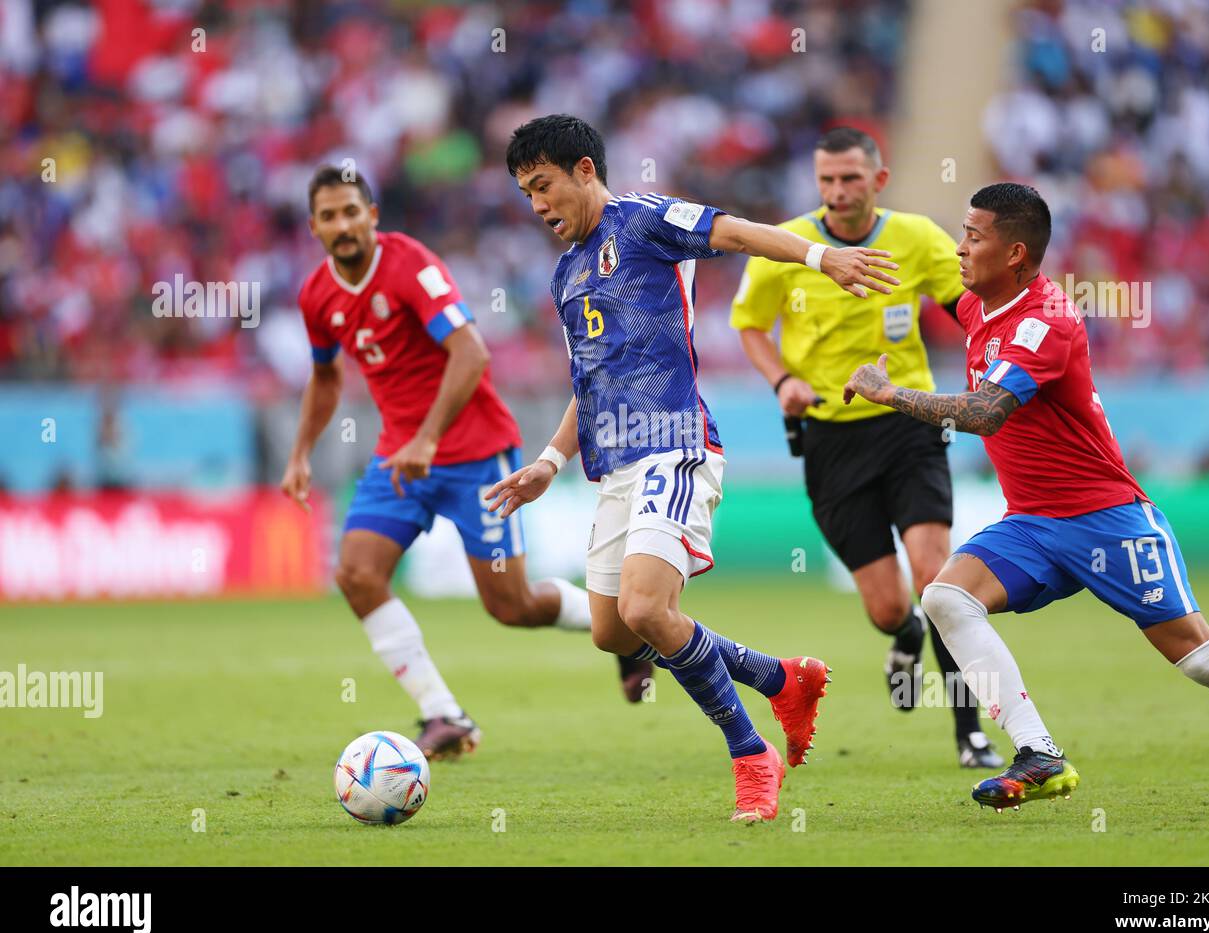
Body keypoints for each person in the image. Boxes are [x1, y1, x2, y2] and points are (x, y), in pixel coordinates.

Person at [487, 114, 900, 821]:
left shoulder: (643, 219)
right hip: (612, 465)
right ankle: (781, 678)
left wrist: (818, 258)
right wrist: (551, 461)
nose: (538, 206)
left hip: (673, 445)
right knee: (615, 632)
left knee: (650, 609)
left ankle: (750, 754)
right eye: (527, 194)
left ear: (585, 170)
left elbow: (734, 231)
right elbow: (588, 381)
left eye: (544, 185)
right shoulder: (565, 275)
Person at [842, 182, 1209, 811]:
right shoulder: (979, 307)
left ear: (1016, 254)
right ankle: (1039, 754)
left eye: (974, 237)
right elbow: (928, 282)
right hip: (1032, 522)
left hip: (1107, 519)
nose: (960, 248)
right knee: (946, 597)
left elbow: (983, 413)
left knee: (1206, 663)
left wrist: (889, 393)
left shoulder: (1047, 321)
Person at [281, 165, 592, 761]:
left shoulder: (410, 266)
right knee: (356, 574)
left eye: (352, 211)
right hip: (401, 460)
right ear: (314, 227)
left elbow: (471, 353)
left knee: (512, 606)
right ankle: (443, 714)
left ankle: (619, 628)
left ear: (371, 216)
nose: (342, 224)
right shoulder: (316, 295)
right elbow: (324, 376)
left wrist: (428, 438)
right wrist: (299, 454)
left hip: (475, 454)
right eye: (329, 216)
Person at [730, 125, 999, 768]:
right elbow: (748, 325)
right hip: (828, 437)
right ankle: (903, 635)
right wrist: (783, 379)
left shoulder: (916, 238)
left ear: (878, 180)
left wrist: (995, 359)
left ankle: (972, 735)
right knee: (887, 607)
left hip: (909, 425)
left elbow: (969, 306)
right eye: (827, 179)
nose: (837, 190)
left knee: (937, 579)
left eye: (850, 178)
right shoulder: (788, 245)